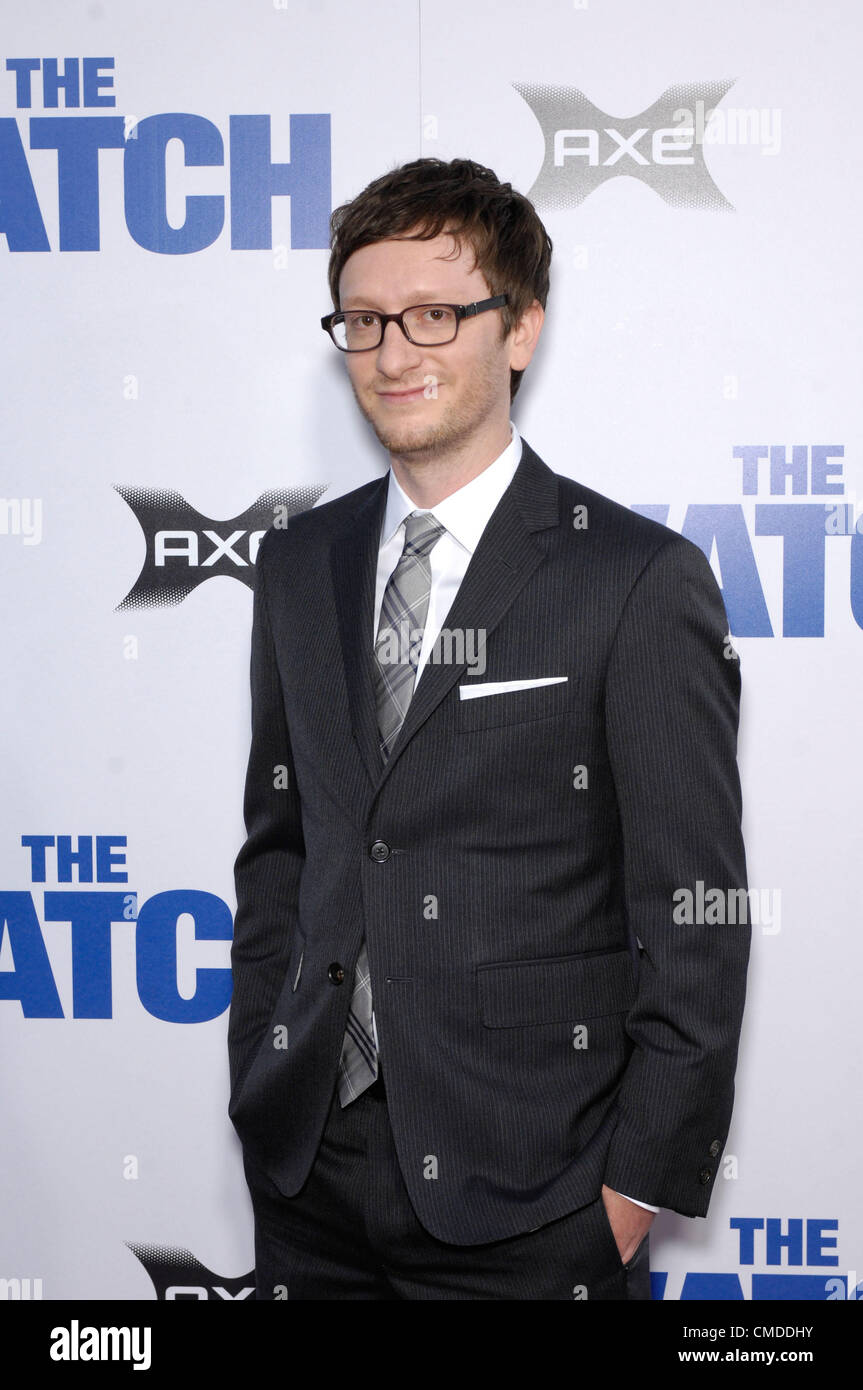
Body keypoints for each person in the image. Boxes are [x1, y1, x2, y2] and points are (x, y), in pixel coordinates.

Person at [227, 156, 750, 1301]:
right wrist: (260, 1077)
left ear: (518, 330)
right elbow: (283, 851)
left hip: (534, 1197)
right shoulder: (297, 565)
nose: (393, 353)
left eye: (433, 314)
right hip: (310, 1181)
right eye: (363, 320)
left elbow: (693, 914)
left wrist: (624, 1198)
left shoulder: (634, 578)